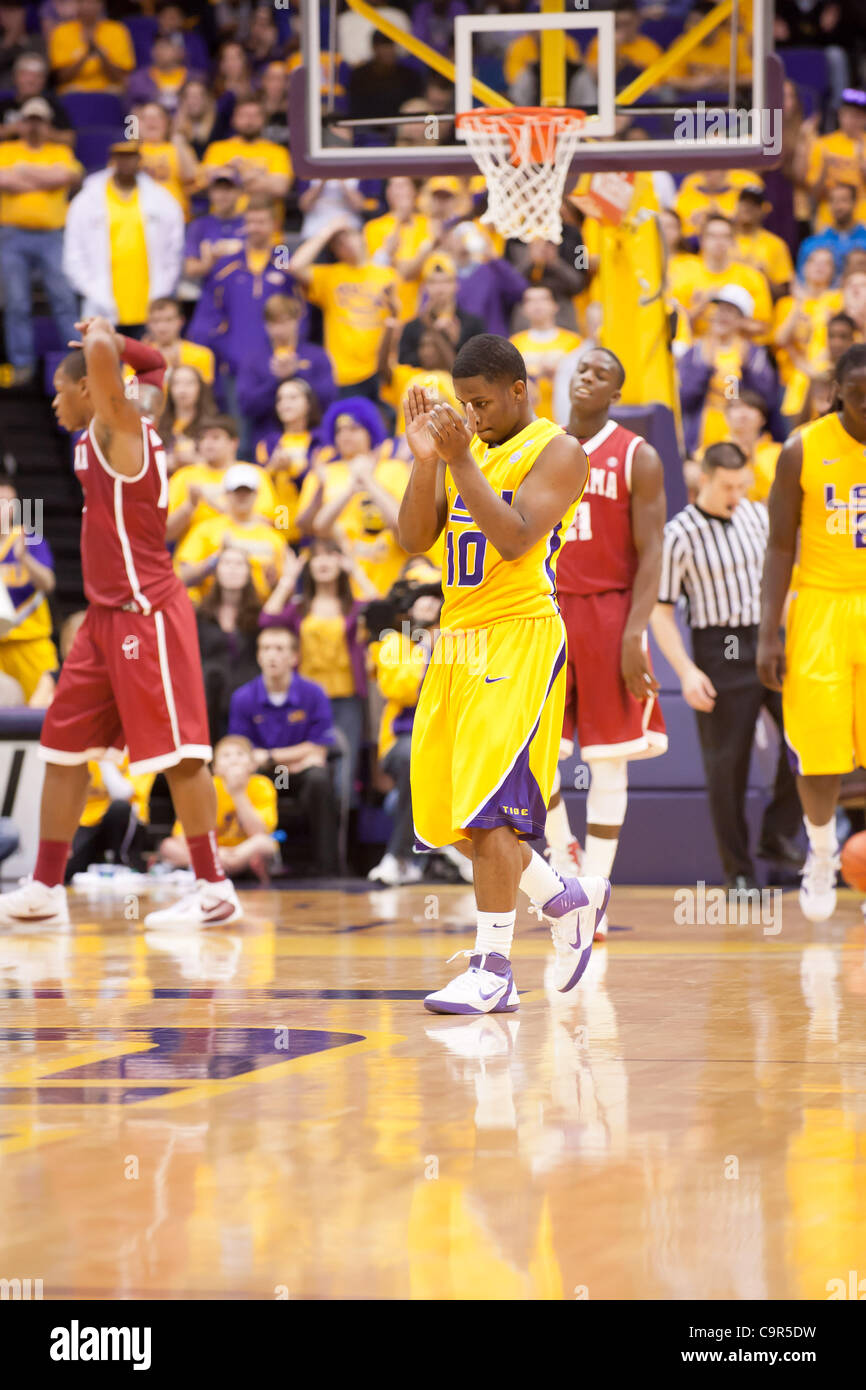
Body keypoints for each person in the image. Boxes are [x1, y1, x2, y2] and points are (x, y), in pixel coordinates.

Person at [0, 319, 242, 928]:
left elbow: (113, 361)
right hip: (103, 620)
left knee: (181, 754)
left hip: (145, 615)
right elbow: (155, 364)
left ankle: (214, 886)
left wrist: (102, 335)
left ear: (92, 390)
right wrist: (117, 347)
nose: (53, 400)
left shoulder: (120, 428)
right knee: (60, 746)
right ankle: (45, 887)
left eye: (62, 388)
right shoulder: (124, 416)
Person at [398, 334, 609, 1014]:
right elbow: (413, 538)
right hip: (456, 641)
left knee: (492, 809)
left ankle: (494, 968)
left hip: (519, 637)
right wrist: (426, 460)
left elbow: (516, 538)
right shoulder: (463, 448)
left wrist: (460, 458)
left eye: (483, 402)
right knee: (451, 815)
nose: (473, 415)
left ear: (519, 389)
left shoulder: (559, 450)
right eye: (464, 405)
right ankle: (560, 897)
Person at [544, 349, 668, 938]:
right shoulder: (543, 445)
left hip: (608, 613)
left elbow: (652, 555)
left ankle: (594, 892)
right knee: (532, 752)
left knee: (609, 762)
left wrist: (636, 632)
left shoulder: (637, 456)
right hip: (545, 610)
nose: (587, 376)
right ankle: (562, 856)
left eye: (602, 373)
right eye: (583, 368)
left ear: (615, 392)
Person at [652, 442, 803, 894]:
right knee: (727, 769)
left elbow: (786, 580)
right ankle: (737, 871)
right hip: (721, 648)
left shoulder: (758, 515)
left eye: (742, 484)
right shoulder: (679, 533)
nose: (736, 494)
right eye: (727, 486)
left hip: (769, 639)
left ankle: (778, 834)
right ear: (705, 479)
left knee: (805, 741)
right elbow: (660, 611)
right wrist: (686, 671)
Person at [758, 345, 866, 922]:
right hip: (820, 606)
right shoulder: (802, 448)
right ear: (839, 392)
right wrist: (767, 632)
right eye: (859, 393)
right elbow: (779, 546)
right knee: (820, 752)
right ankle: (821, 853)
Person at [261, 539, 367, 813]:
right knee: (311, 768)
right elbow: (266, 621)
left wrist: (356, 571)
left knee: (346, 771)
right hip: (305, 702)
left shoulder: (353, 607)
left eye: (331, 555)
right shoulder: (299, 607)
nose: (323, 562)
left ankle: (343, 847)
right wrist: (288, 579)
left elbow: (382, 609)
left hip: (346, 700)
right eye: (316, 557)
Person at [228, 626, 339, 878]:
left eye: (279, 649)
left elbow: (318, 748)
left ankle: (328, 868)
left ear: (294, 657)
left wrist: (270, 757)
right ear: (258, 656)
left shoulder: (314, 693)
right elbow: (242, 752)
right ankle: (251, 864)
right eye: (266, 649)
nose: (272, 655)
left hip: (294, 774)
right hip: (262, 774)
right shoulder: (243, 698)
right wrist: (291, 758)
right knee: (237, 778)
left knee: (319, 779)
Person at [0, 95, 82, 384]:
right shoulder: (6, 149)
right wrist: (44, 179)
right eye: (30, 120)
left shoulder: (59, 150)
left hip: (52, 236)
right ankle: (22, 364)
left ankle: (77, 361)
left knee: (63, 298)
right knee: (16, 301)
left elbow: (68, 176)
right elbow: (2, 179)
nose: (35, 126)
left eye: (40, 121)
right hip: (12, 235)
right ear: (21, 123)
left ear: (48, 125)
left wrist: (22, 172)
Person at [62, 141, 184, 334]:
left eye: (131, 156)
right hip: (101, 302)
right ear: (112, 159)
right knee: (102, 361)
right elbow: (74, 254)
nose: (126, 162)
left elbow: (174, 251)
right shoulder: (87, 200)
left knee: (149, 362)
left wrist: (164, 288)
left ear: (140, 159)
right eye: (120, 156)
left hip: (150, 303)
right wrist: (92, 290)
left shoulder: (164, 200)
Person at [367, 582, 442, 886]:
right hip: (403, 739)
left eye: (434, 597)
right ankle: (398, 856)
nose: (426, 603)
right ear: (408, 608)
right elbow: (401, 689)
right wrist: (427, 648)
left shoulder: (462, 642)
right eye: (420, 597)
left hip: (448, 740)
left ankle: (441, 854)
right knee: (416, 759)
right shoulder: (393, 643)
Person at [295, 399, 409, 598]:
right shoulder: (322, 473)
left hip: (387, 574)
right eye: (339, 430)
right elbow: (309, 527)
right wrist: (336, 487)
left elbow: (404, 525)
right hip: (339, 587)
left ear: (369, 430)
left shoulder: (395, 469)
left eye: (354, 428)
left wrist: (368, 480)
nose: (345, 435)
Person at [288, 217, 399, 401]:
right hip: (344, 374)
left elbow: (397, 322)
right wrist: (327, 231)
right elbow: (294, 266)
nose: (346, 244)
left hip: (381, 371)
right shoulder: (331, 275)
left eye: (349, 236)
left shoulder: (388, 274)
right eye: (339, 243)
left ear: (361, 237)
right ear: (335, 251)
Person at [158, 733, 278, 881]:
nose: (233, 760)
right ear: (215, 767)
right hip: (213, 851)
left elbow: (259, 832)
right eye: (226, 755)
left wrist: (238, 793)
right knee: (168, 846)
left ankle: (214, 866)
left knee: (264, 844)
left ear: (253, 764)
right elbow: (182, 833)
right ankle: (221, 865)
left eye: (240, 754)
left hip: (243, 850)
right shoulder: (206, 786)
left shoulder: (262, 785)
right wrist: (215, 852)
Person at [677, 286, 778, 457]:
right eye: (719, 309)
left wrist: (747, 370)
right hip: (701, 438)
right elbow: (683, 400)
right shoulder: (695, 353)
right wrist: (705, 369)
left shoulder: (754, 355)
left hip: (741, 437)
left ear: (742, 319)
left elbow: (766, 401)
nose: (722, 315)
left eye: (730, 311)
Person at [175, 461, 288, 603]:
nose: (242, 496)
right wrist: (216, 559)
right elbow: (182, 576)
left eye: (247, 491)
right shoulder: (205, 530)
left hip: (257, 611)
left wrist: (273, 582)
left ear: (256, 494)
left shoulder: (274, 537)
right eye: (236, 491)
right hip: (212, 610)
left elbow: (285, 586)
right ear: (226, 494)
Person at [236, 294, 334, 451]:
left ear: (297, 321)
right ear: (266, 326)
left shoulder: (316, 356)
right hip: (267, 441)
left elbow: (328, 398)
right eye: (274, 323)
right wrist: (276, 380)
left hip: (312, 442)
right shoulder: (254, 360)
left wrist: (296, 375)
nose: (280, 329)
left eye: (285, 321)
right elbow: (246, 405)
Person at [166, 414, 276, 543]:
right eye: (202, 438)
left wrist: (220, 506)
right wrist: (189, 506)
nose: (207, 443)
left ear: (234, 443)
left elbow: (279, 524)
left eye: (215, 437)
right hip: (196, 556)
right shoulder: (183, 476)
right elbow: (166, 534)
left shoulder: (255, 473)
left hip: (247, 556)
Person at [195, 545, 262, 741]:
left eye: (239, 564)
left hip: (249, 701)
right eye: (226, 563)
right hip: (209, 701)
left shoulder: (260, 615)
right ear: (216, 571)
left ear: (249, 573)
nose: (233, 569)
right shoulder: (201, 615)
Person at [0, 477, 58, 700]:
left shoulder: (30, 538)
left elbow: (49, 583)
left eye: (8, 503)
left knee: (44, 711)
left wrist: (24, 558)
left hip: (30, 642)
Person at [65, 755, 153, 880]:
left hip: (126, 820)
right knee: (68, 867)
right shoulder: (87, 755)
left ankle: (124, 864)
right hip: (88, 820)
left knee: (119, 808)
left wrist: (104, 757)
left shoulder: (138, 753)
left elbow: (122, 793)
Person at [254, 379, 319, 544]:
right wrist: (273, 469)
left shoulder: (320, 440)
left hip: (310, 528)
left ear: (309, 403)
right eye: (280, 399)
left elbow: (322, 483)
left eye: (293, 397)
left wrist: (292, 471)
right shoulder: (268, 443)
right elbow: (257, 486)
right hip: (279, 524)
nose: (285, 404)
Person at [397, 254, 486, 368]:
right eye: (433, 282)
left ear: (456, 284)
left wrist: (457, 341)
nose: (440, 289)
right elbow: (404, 368)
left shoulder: (473, 324)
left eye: (446, 282)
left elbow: (479, 367)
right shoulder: (412, 327)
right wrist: (431, 344)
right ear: (425, 287)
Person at [510, 287, 583, 422]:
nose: (537, 305)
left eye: (543, 299)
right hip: (529, 422)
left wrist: (559, 374)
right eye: (530, 300)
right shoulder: (514, 343)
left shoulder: (574, 342)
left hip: (565, 417)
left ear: (555, 306)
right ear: (524, 309)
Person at [48, 0, 135, 95]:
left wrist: (99, 51)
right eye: (84, 1)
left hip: (109, 90)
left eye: (94, 2)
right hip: (73, 91)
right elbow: (61, 78)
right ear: (77, 4)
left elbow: (119, 77)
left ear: (102, 5)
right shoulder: (61, 31)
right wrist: (86, 53)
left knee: (116, 90)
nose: (89, 5)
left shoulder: (117, 30)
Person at [796, 181, 866, 279]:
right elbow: (801, 281)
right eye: (833, 201)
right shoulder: (813, 243)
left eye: (844, 200)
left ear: (854, 202)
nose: (838, 206)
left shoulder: (864, 237)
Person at [0, 53, 74, 145]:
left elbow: (70, 139)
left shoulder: (53, 108)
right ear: (15, 77)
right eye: (25, 74)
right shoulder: (3, 106)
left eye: (38, 76)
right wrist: (14, 129)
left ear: (44, 80)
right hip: (8, 157)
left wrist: (48, 133)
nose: (31, 80)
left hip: (44, 157)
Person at [157, 363, 217, 469]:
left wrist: (196, 460)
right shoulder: (157, 424)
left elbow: (222, 464)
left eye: (189, 383)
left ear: (200, 388)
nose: (182, 390)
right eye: (176, 383)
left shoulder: (214, 425)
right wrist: (165, 462)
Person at [146, 296, 214, 385]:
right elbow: (131, 394)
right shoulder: (138, 358)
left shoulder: (201, 355)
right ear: (148, 324)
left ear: (181, 321)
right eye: (156, 321)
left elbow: (204, 395)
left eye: (168, 320)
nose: (161, 328)